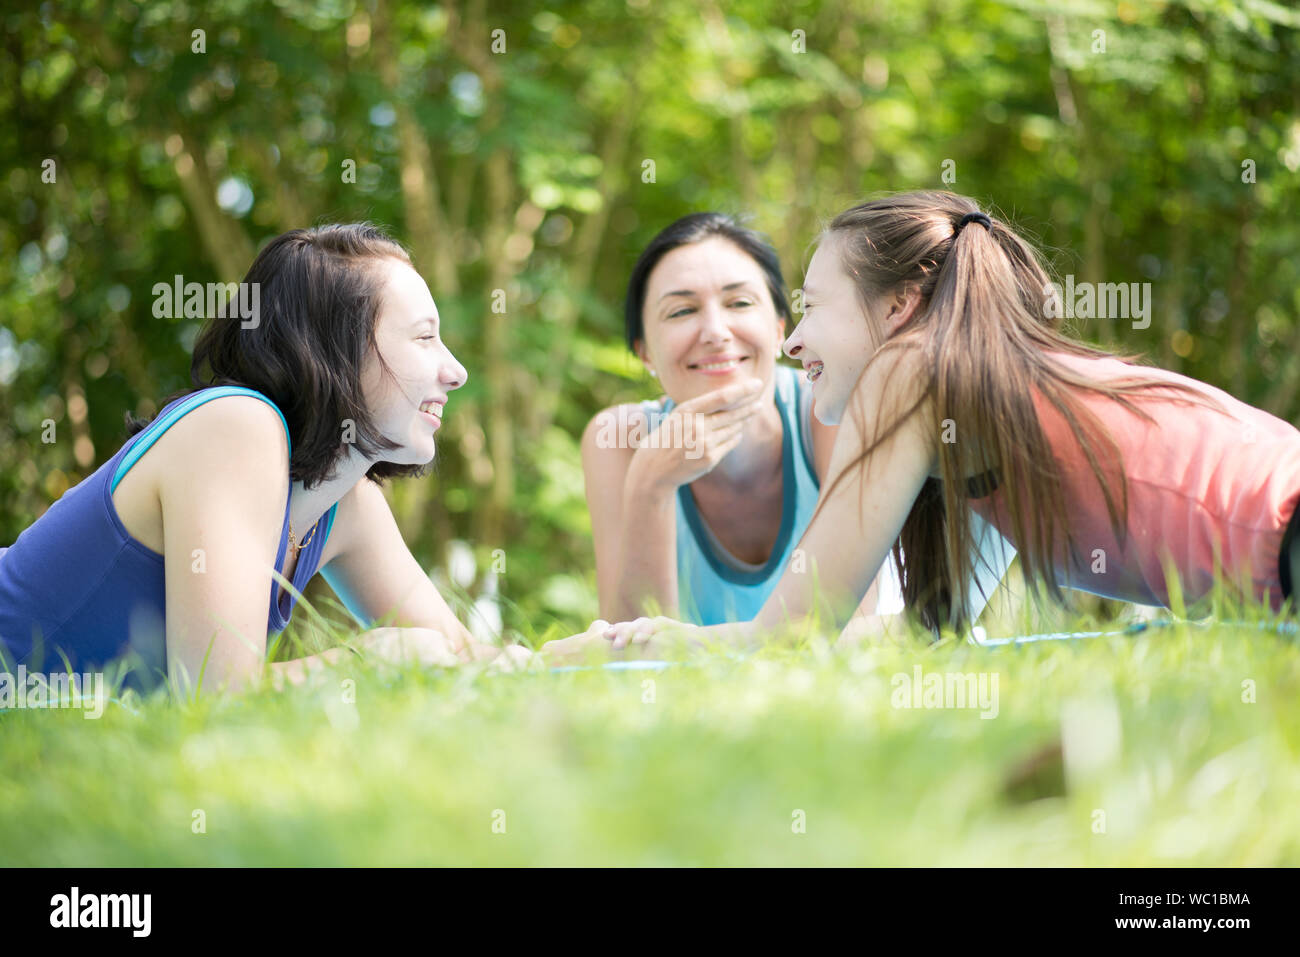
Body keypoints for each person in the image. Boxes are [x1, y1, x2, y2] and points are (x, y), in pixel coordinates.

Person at [548, 190, 1300, 658]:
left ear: (900, 307)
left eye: (811, 308)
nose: (795, 342)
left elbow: (788, 637)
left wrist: (650, 645)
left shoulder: (909, 373)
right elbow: (924, 631)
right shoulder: (959, 407)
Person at [0, 224, 534, 695]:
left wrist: (587, 651)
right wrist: (369, 660)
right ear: (336, 350)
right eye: (425, 338)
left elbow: (465, 659)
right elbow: (216, 694)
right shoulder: (236, 425)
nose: (457, 371)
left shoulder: (344, 503)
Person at [580, 212, 907, 627]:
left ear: (779, 330)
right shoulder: (619, 439)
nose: (716, 332)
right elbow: (630, 656)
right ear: (644, 352)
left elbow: (841, 628)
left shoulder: (831, 409)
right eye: (681, 311)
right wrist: (650, 485)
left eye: (739, 303)